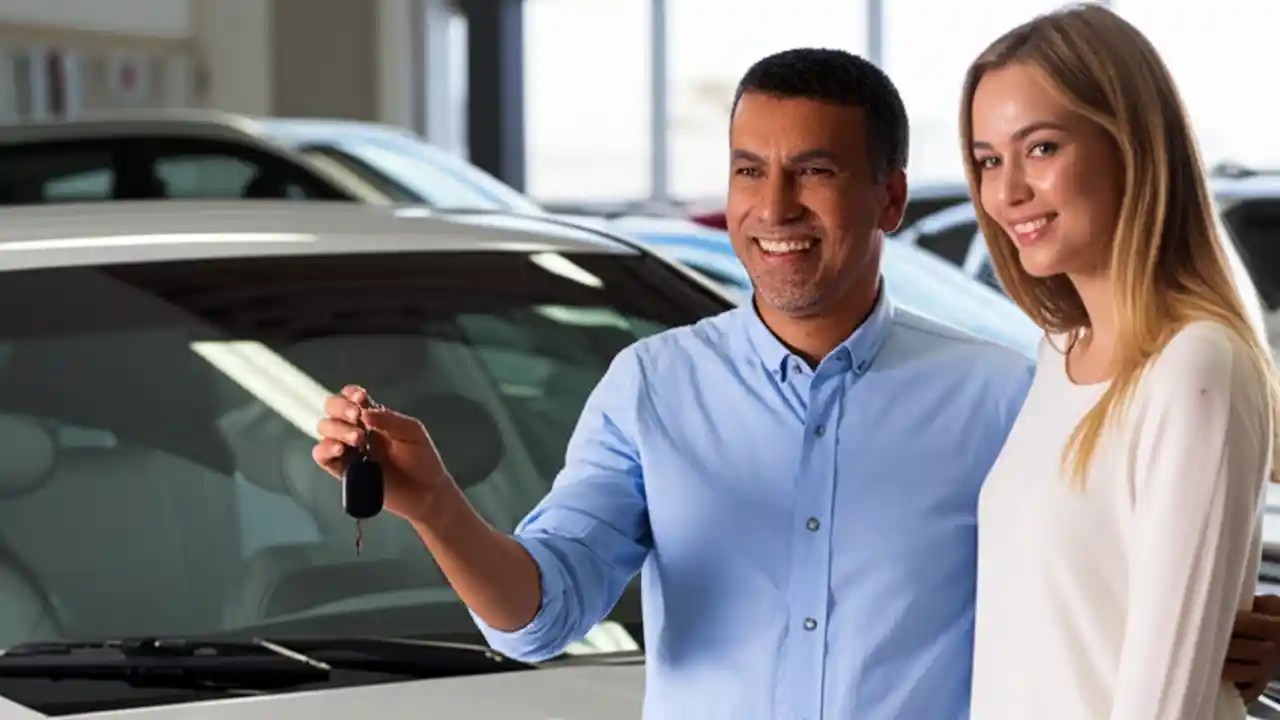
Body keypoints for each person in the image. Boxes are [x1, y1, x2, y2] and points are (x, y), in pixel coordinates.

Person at [312, 47, 1280, 718]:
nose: (772, 208)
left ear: (888, 197)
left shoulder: (1005, 394)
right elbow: (539, 618)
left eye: (812, 172)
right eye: (747, 171)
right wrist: (436, 507)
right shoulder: (651, 389)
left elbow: (1114, 572)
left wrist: (1228, 635)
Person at [963, 6, 1280, 719]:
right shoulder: (1059, 356)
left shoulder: (1195, 366)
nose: (1006, 192)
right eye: (988, 160)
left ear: (1130, 146)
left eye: (1041, 148)